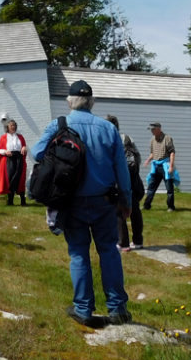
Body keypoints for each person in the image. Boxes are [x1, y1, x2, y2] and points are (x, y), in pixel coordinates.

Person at [31, 80, 133, 328]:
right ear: (92, 102)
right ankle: (117, 308)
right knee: (109, 251)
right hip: (104, 201)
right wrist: (126, 200)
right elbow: (122, 168)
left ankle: (83, 309)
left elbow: (36, 153)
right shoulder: (108, 128)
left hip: (71, 201)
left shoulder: (58, 125)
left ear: (69, 102)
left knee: (78, 254)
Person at [105, 115, 144, 252]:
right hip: (134, 176)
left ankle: (123, 243)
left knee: (119, 209)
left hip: (121, 176)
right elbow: (137, 158)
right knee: (135, 208)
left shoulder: (110, 139)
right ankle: (138, 240)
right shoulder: (127, 137)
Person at [0, 119, 28, 206]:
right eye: (11, 125)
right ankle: (10, 200)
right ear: (7, 127)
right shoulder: (3, 137)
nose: (13, 127)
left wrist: (24, 147)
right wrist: (5, 152)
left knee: (20, 179)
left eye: (14, 125)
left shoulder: (20, 137)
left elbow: (24, 146)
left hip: (19, 159)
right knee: (10, 179)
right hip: (9, 160)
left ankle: (23, 201)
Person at [142, 122, 180, 212]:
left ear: (158, 129)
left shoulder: (167, 138)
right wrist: (148, 160)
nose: (151, 131)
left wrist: (171, 166)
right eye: (151, 130)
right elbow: (152, 153)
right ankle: (147, 205)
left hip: (165, 166)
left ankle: (171, 207)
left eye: (153, 129)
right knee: (151, 187)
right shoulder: (152, 140)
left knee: (169, 189)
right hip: (156, 167)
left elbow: (172, 153)